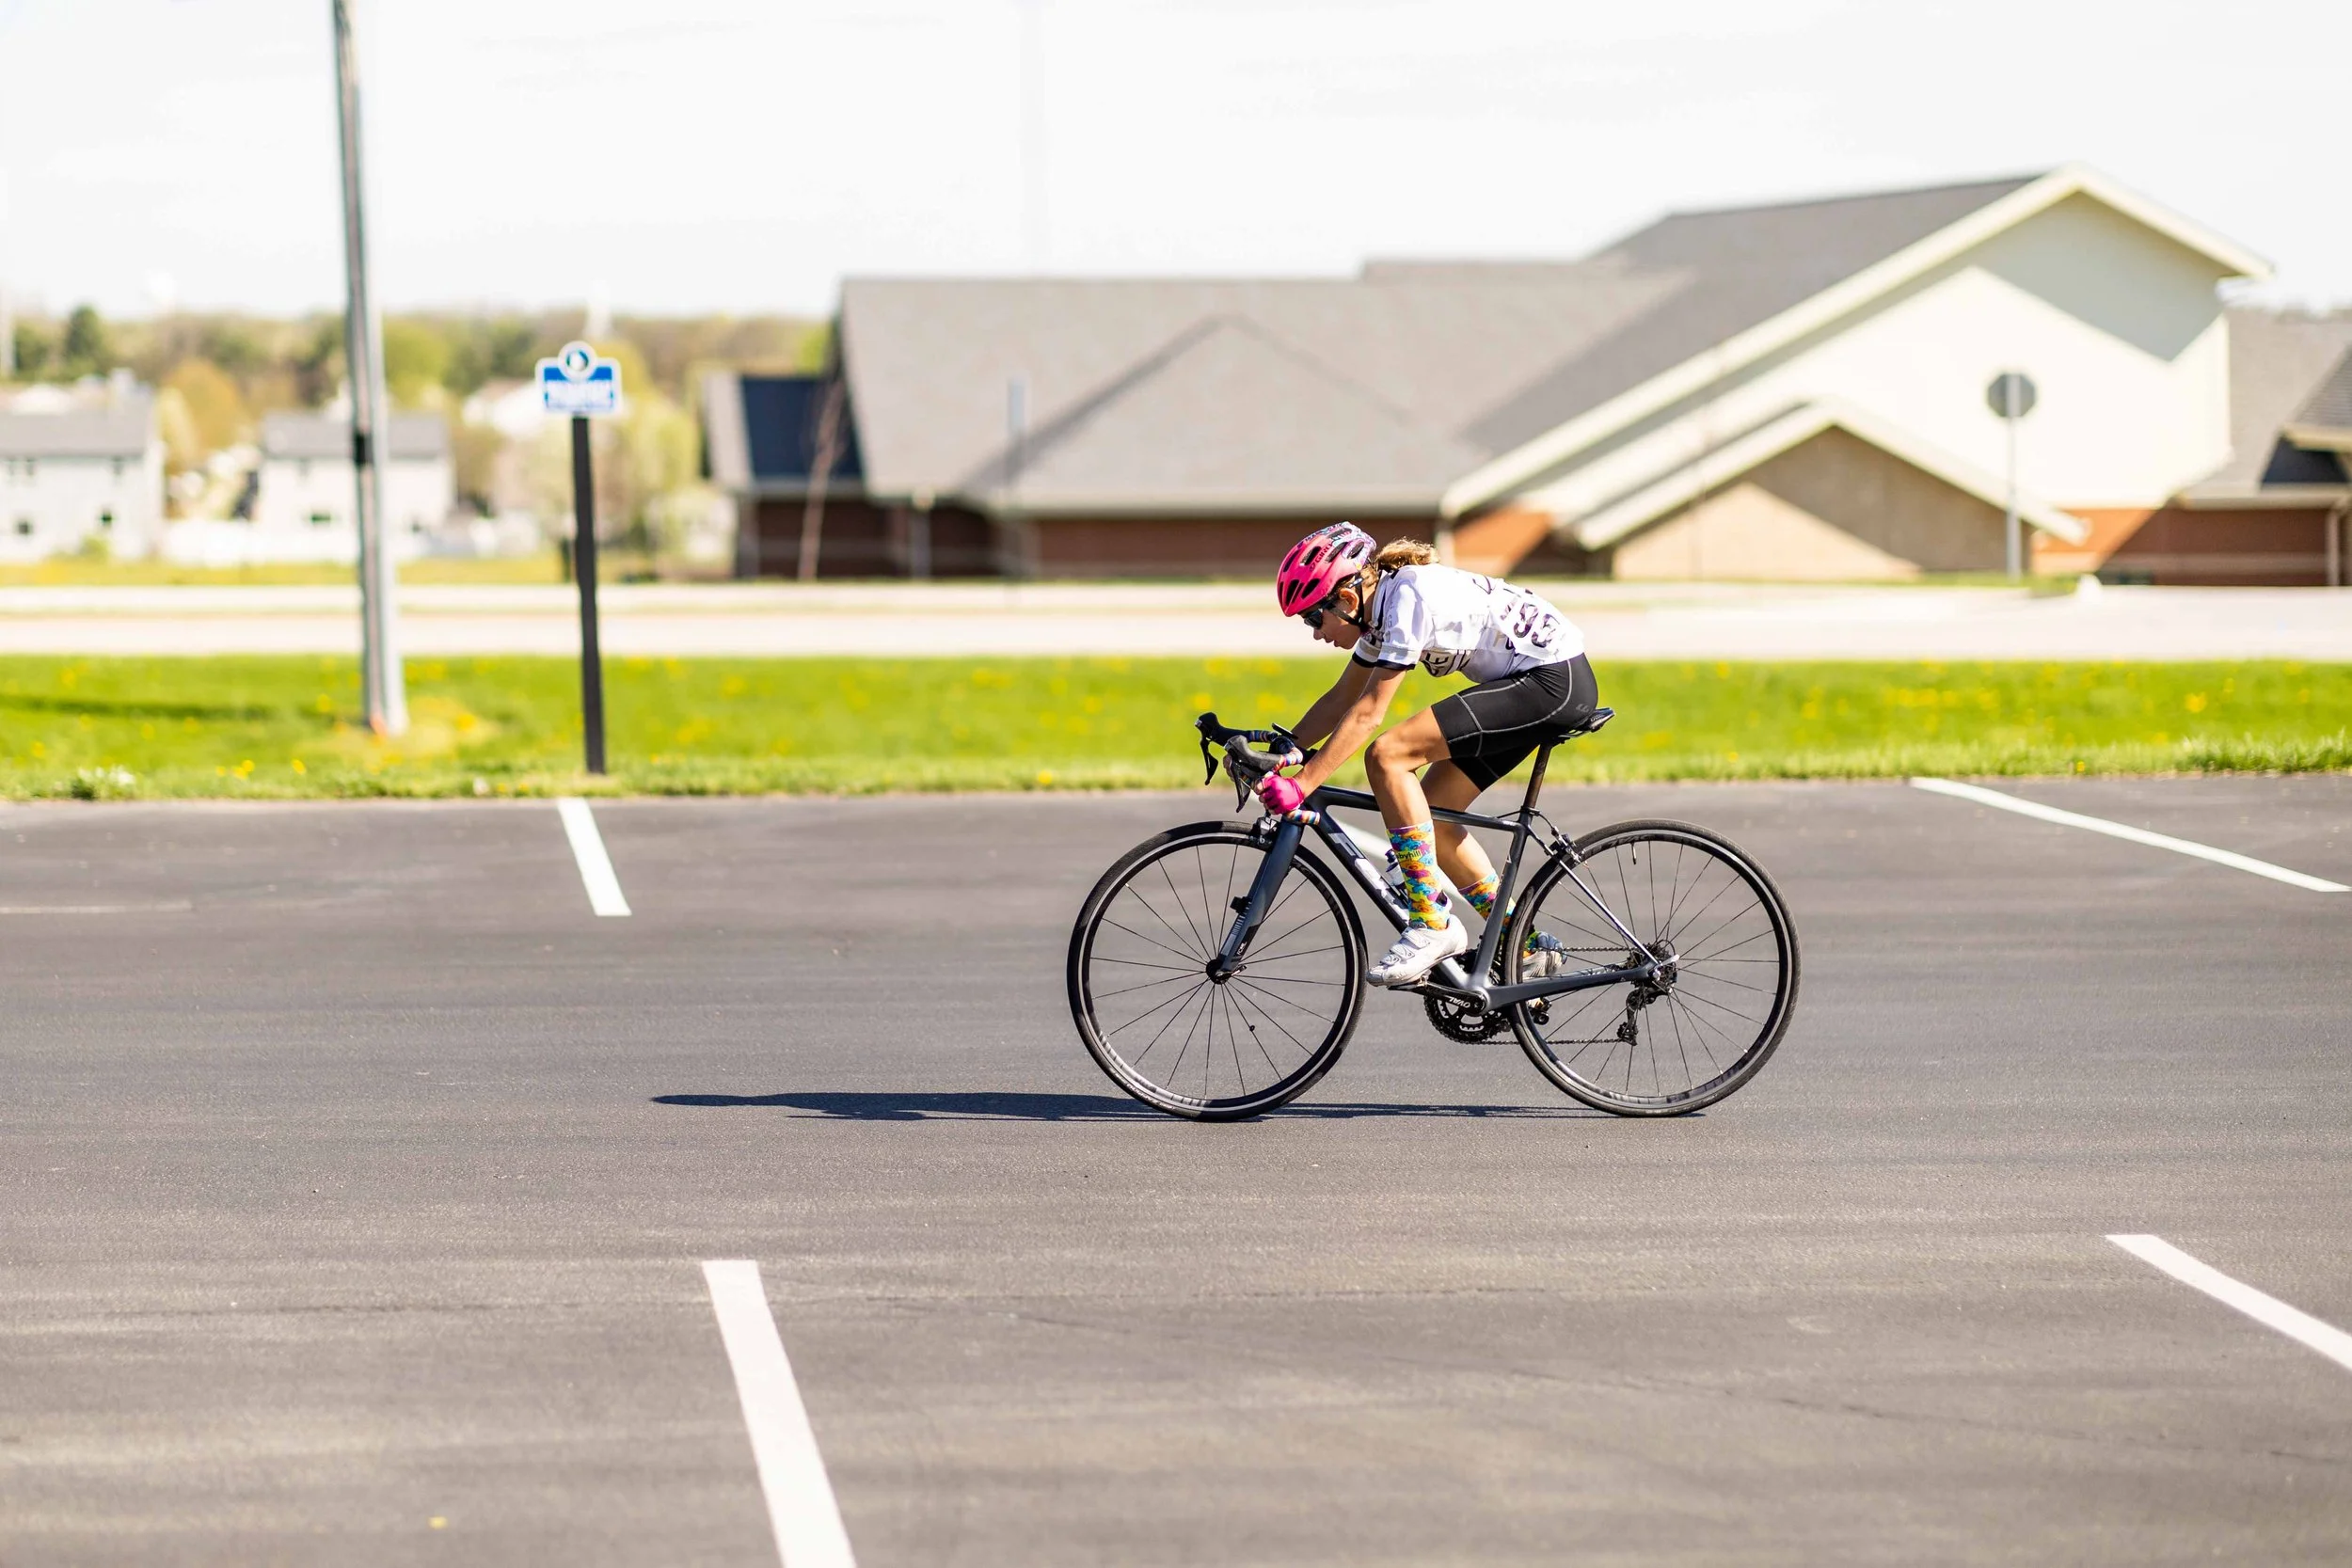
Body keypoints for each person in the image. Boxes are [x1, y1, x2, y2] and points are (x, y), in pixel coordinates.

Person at [1257, 521, 1598, 988]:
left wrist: (1301, 786)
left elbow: (1368, 713)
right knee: (1434, 818)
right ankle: (1526, 945)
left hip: (1551, 682)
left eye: (1313, 618)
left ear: (1348, 599)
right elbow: (1341, 698)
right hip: (1538, 681)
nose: (1315, 633)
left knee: (1387, 756)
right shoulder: (1381, 608)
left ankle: (1431, 920)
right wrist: (1289, 749)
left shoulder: (1407, 598)